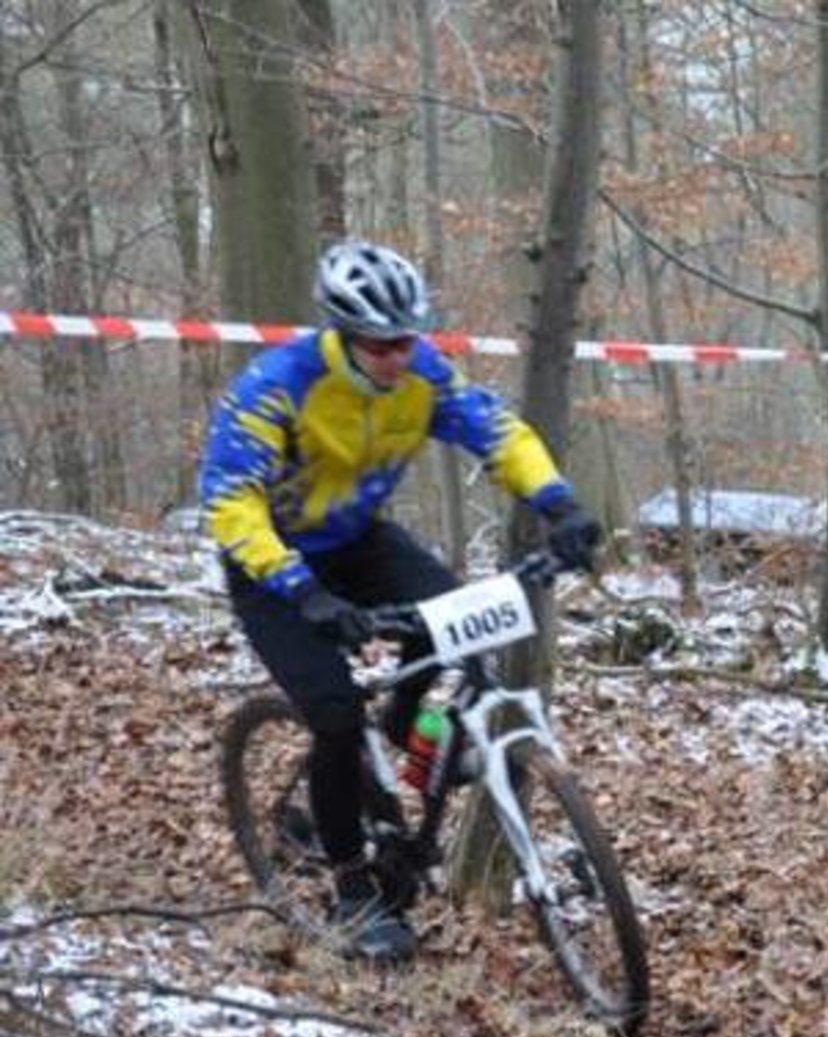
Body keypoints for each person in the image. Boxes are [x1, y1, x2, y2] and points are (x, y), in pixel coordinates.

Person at [200, 240, 604, 964]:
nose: (395, 357)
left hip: (359, 539)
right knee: (332, 714)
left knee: (450, 622)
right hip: (273, 563)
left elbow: (497, 429)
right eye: (380, 344)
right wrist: (302, 591)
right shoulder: (278, 384)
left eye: (405, 340)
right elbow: (230, 503)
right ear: (345, 336)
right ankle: (353, 888)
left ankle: (401, 731)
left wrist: (560, 503)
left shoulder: (422, 374)